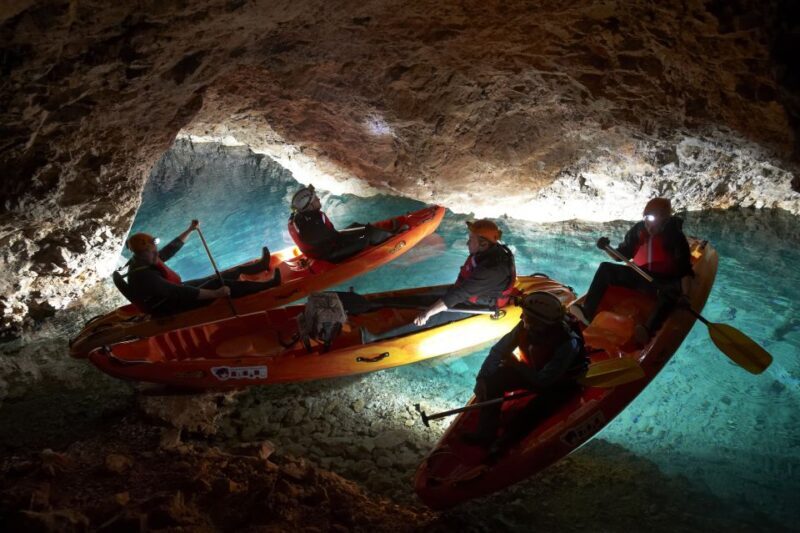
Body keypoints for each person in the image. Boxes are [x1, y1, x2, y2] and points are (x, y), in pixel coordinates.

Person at [462, 291, 586, 450]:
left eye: (525, 316)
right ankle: (485, 433)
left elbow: (544, 381)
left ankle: (505, 444)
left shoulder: (567, 343)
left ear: (539, 323)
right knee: (493, 380)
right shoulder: (526, 327)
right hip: (535, 372)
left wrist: (517, 365)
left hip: (559, 383)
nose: (522, 318)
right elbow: (498, 351)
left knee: (529, 415)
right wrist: (482, 378)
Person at [570, 197, 693, 343]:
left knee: (671, 293)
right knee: (605, 268)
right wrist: (605, 248)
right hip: (641, 275)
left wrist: (685, 296)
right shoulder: (639, 230)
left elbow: (685, 271)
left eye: (653, 218)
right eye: (646, 217)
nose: (648, 223)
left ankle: (647, 330)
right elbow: (620, 256)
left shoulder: (676, 238)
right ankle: (587, 312)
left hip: (663, 281)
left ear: (665, 219)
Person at [123, 220, 280, 316]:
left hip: (171, 293)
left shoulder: (143, 258)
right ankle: (269, 285)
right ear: (142, 253)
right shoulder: (144, 277)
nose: (157, 254)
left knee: (216, 276)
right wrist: (216, 293)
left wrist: (190, 229)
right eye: (153, 253)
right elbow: (179, 292)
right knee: (220, 283)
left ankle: (261, 266)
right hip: (169, 305)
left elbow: (169, 250)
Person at [413, 219, 516, 326]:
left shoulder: (491, 269)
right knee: (420, 299)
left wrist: (427, 313)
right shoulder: (488, 250)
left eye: (471, 239)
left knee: (427, 320)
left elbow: (459, 295)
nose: (467, 243)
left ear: (484, 243)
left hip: (478, 305)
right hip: (468, 291)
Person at [287, 184, 398, 262]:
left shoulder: (303, 217)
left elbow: (331, 236)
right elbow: (333, 240)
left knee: (358, 227)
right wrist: (357, 237)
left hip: (329, 244)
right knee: (365, 240)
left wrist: (357, 232)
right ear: (310, 206)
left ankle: (387, 233)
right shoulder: (313, 225)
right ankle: (394, 238)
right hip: (329, 254)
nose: (319, 199)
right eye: (316, 199)